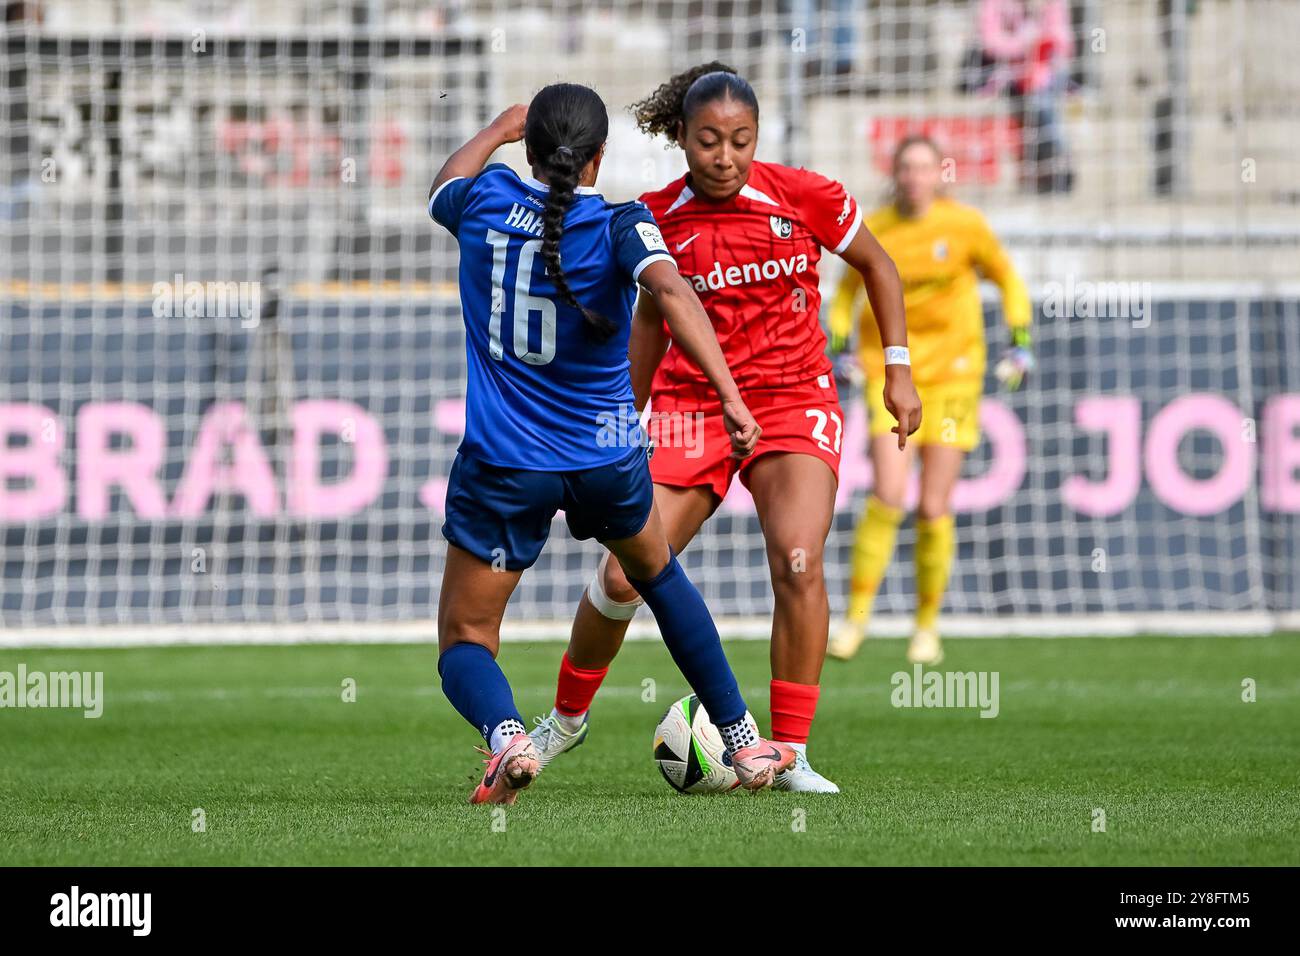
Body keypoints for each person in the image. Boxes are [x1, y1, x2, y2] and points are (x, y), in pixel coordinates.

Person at [528, 64, 920, 794]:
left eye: (741, 141)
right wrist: (626, 415)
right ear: (680, 137)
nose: (725, 156)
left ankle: (791, 753)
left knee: (797, 558)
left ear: (757, 139)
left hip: (791, 398)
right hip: (689, 408)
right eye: (708, 140)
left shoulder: (805, 196)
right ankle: (564, 723)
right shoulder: (653, 214)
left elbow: (878, 265)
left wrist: (897, 367)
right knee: (623, 573)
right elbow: (650, 315)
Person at [428, 83, 796, 805]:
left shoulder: (485, 200)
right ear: (600, 155)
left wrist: (500, 127)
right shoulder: (626, 225)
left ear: (528, 148)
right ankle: (746, 744)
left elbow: (444, 184)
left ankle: (508, 739)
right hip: (607, 456)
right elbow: (675, 295)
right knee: (659, 578)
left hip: (507, 461)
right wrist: (730, 396)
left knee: (466, 636)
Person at [827, 134, 1033, 666]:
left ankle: (926, 627)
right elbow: (846, 293)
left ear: (940, 174)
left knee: (933, 505)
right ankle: (856, 620)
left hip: (954, 378)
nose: (915, 177)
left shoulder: (965, 226)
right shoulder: (875, 229)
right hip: (889, 374)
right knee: (888, 494)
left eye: (924, 168)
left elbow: (1008, 279)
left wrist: (1020, 340)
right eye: (906, 167)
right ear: (894, 173)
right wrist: (841, 345)